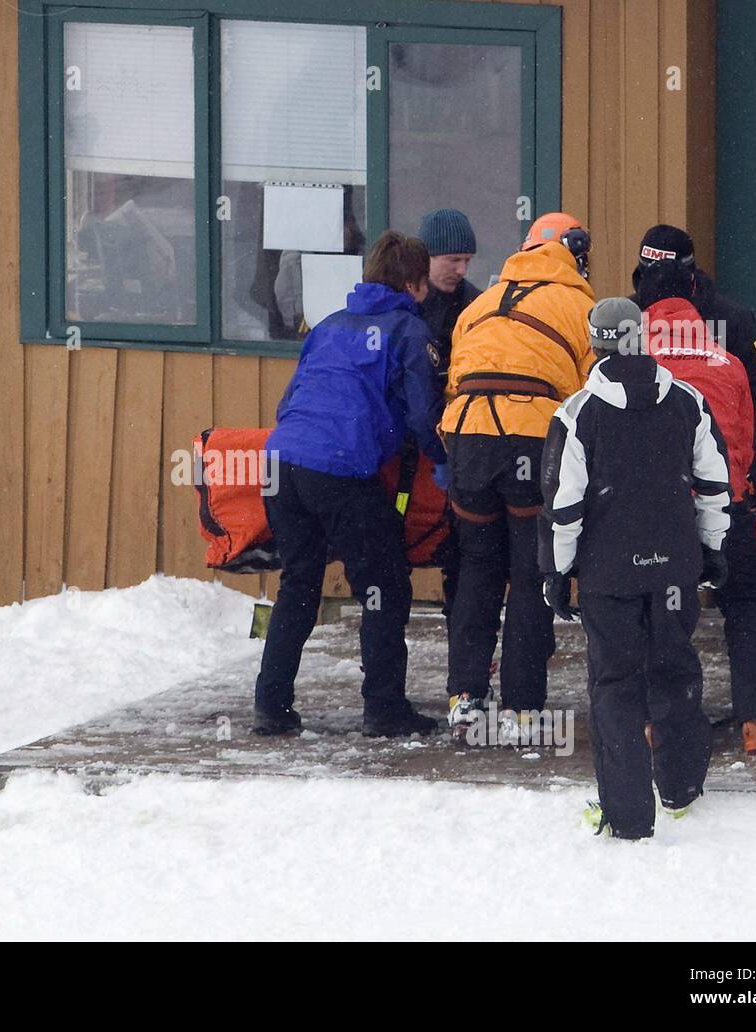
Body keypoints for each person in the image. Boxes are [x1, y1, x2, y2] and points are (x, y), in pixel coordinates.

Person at [540, 297, 731, 839]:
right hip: (674, 567)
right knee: (674, 668)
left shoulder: (577, 414)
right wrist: (714, 548)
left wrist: (557, 573)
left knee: (616, 683)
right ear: (641, 337)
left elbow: (563, 508)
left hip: (609, 575)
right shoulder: (687, 401)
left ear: (594, 343)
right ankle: (680, 790)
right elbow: (715, 485)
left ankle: (625, 815)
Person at [254, 230, 448, 738]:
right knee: (383, 585)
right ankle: (384, 708)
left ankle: (271, 706)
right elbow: (426, 415)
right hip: (338, 470)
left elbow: (289, 401)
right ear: (413, 284)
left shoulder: (329, 325)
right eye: (425, 283)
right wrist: (446, 466)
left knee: (298, 584)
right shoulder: (408, 331)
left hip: (281, 461)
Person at [439, 212, 596, 742]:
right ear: (575, 254)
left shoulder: (480, 303)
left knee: (479, 566)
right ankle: (523, 707)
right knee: (532, 572)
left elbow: (456, 377)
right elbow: (590, 396)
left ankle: (464, 696)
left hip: (466, 434)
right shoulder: (582, 305)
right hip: (532, 436)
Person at [637, 260, 756, 753]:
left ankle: (661, 723)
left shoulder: (628, 361)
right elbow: (747, 443)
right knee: (751, 600)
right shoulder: (727, 363)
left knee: (659, 608)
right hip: (726, 505)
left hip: (655, 512)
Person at [630, 224, 756, 488]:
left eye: (662, 275)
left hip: (723, 477)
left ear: (689, 274)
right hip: (647, 479)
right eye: (646, 274)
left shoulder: (732, 320)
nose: (653, 284)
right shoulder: (628, 319)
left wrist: (741, 463)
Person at [416, 208, 482, 385]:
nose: (462, 270)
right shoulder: (398, 301)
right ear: (426, 257)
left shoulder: (477, 304)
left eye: (467, 260)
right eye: (454, 260)